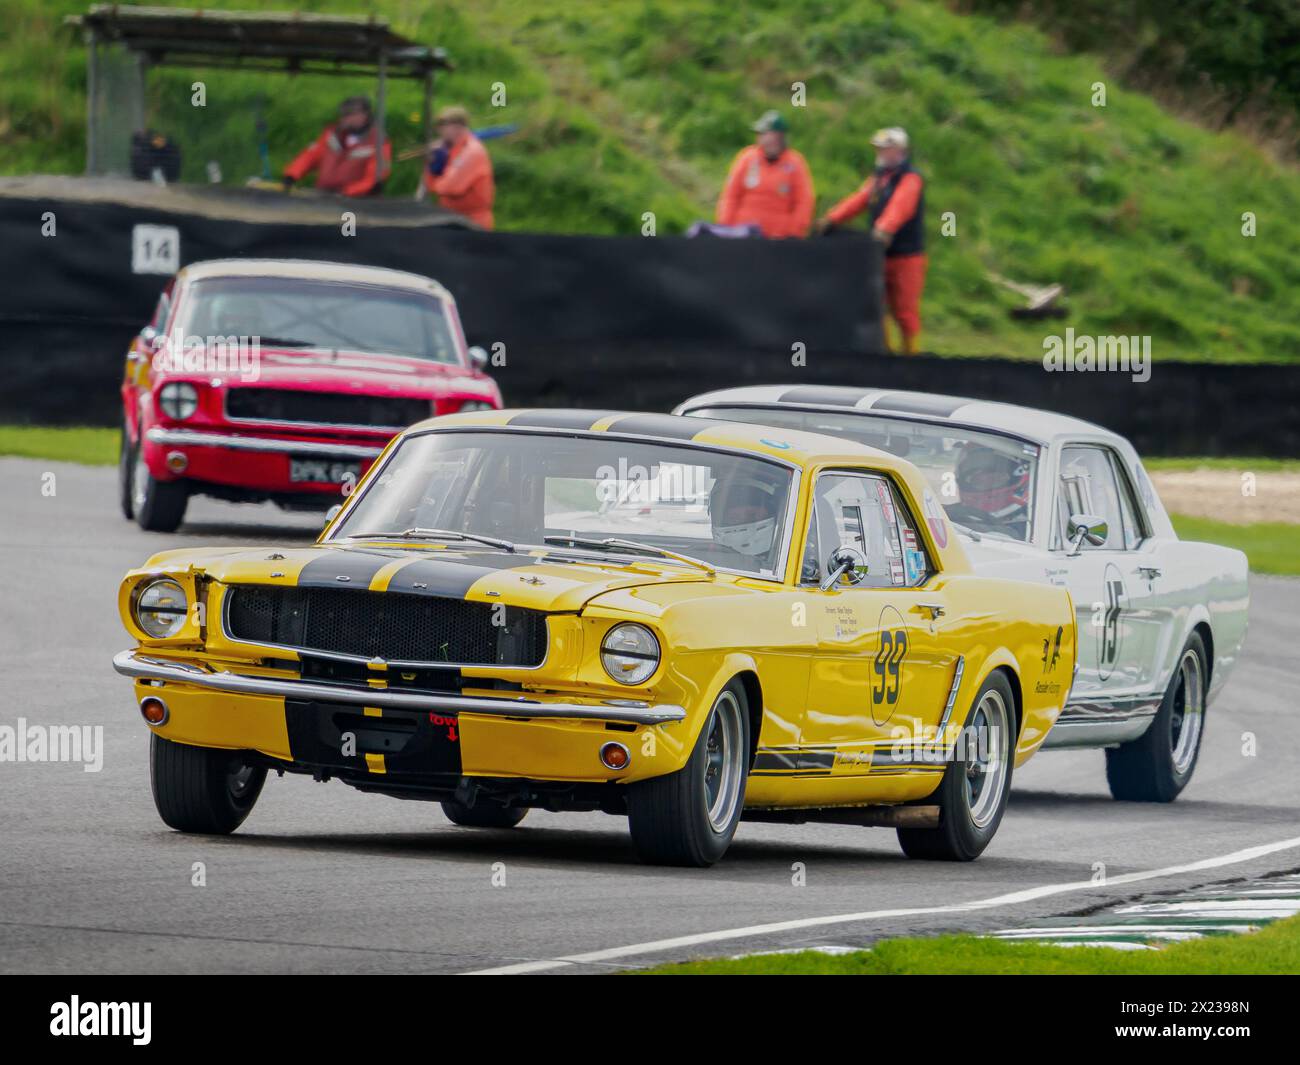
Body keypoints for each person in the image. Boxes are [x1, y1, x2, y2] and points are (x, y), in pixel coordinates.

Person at [816, 127, 927, 354]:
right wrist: (831, 219)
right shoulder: (878, 179)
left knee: (905, 310)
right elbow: (858, 201)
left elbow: (900, 207)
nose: (882, 153)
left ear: (901, 151)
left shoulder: (910, 179)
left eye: (887, 149)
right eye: (880, 149)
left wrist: (884, 229)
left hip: (907, 256)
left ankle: (911, 353)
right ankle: (885, 352)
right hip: (880, 253)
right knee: (877, 305)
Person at [715, 110, 815, 239]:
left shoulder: (795, 163)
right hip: (742, 235)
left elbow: (804, 202)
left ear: (780, 137)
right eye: (761, 135)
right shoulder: (747, 158)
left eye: (767, 134)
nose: (764, 139)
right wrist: (726, 228)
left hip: (778, 239)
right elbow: (730, 196)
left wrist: (793, 234)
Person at [282, 96, 390, 197]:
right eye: (343, 114)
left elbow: (375, 179)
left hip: (356, 203)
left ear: (364, 115)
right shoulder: (331, 134)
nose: (343, 118)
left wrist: (345, 192)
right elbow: (310, 156)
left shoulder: (378, 142)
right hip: (323, 196)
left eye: (349, 114)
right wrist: (291, 175)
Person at [423, 106, 496, 229]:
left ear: (457, 127)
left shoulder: (472, 152)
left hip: (472, 223)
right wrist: (433, 166)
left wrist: (436, 179)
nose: (439, 130)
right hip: (452, 219)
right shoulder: (450, 150)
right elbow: (430, 187)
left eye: (442, 125)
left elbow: (450, 187)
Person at [953, 444, 1032, 538]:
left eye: (995, 477)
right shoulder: (953, 515)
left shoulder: (1034, 525)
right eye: (975, 478)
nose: (984, 480)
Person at [709, 472, 785, 559]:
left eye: (752, 515)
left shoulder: (791, 561)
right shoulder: (707, 564)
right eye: (734, 518)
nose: (742, 522)